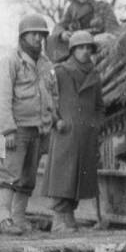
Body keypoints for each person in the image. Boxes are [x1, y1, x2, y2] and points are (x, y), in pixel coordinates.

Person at [0, 14, 56, 233]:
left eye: (41, 34)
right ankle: (3, 219)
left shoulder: (45, 64)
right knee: (7, 173)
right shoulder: (10, 61)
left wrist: (49, 123)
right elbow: (0, 97)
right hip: (13, 130)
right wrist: (6, 130)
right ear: (23, 36)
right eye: (34, 34)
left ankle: (18, 218)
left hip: (36, 128)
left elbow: (51, 95)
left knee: (27, 177)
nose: (38, 38)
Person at [42, 30, 106, 232]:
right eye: (80, 48)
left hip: (86, 134)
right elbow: (46, 99)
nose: (85, 51)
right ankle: (59, 220)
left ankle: (69, 217)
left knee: (78, 178)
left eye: (89, 48)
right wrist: (56, 121)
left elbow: (99, 106)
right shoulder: (59, 71)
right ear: (72, 50)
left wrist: (95, 125)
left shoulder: (94, 75)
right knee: (63, 176)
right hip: (65, 132)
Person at [49, 0, 122, 61]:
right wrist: (62, 34)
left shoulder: (102, 7)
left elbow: (113, 30)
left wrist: (102, 38)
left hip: (99, 43)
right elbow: (59, 25)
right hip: (78, 44)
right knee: (51, 41)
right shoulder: (71, 11)